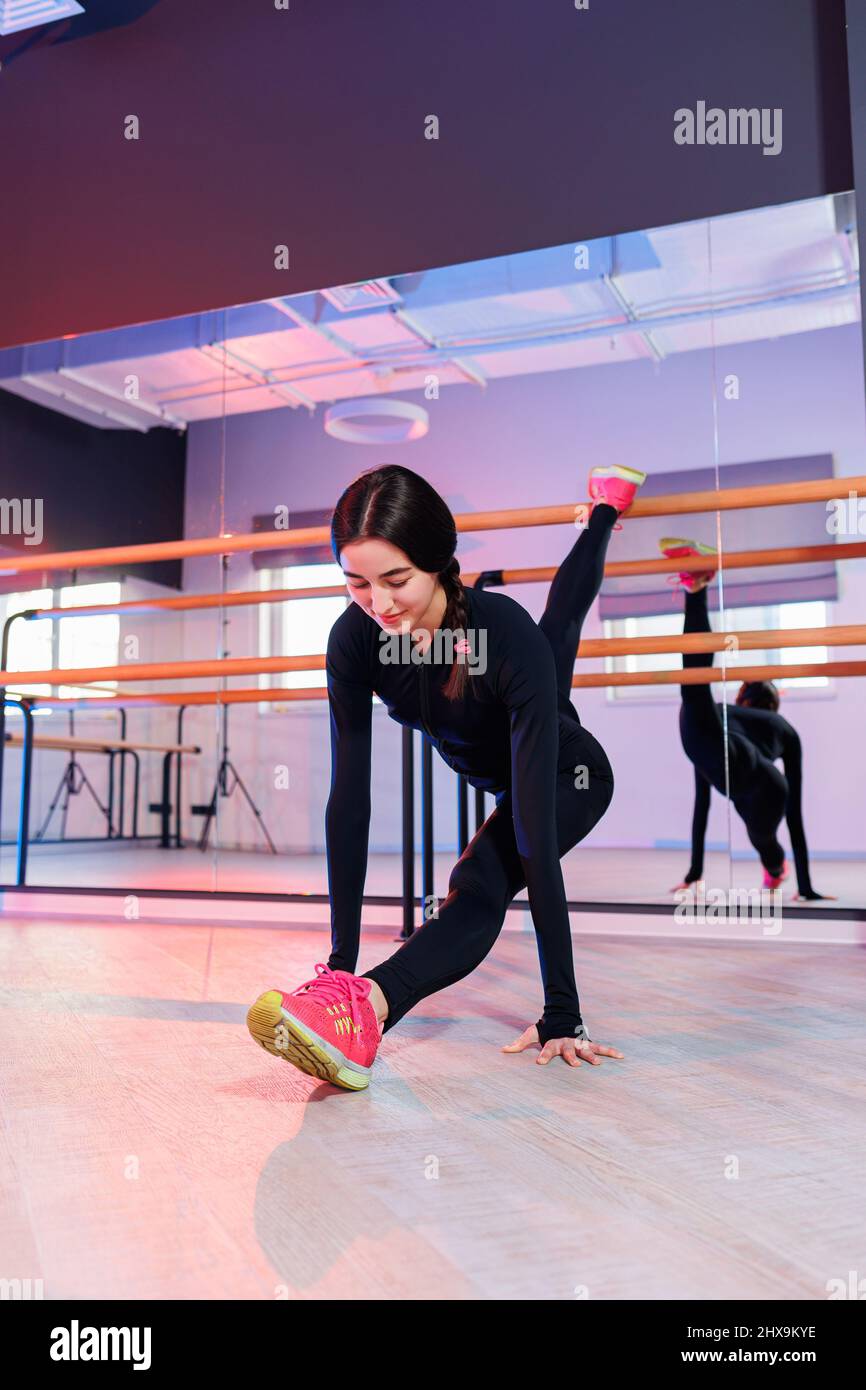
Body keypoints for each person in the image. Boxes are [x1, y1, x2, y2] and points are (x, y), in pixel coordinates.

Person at [246, 462, 647, 1090]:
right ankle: (346, 997)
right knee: (558, 636)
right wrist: (338, 964)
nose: (377, 604)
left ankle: (368, 1009)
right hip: (506, 756)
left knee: (482, 877)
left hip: (569, 773)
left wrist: (562, 1013)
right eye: (356, 583)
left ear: (437, 563)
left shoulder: (500, 633)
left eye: (395, 580)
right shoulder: (357, 641)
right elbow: (349, 803)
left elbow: (535, 842)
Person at [660, 537, 831, 903]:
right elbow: (794, 814)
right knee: (762, 837)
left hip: (735, 764)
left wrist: (695, 872)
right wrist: (806, 887)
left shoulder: (762, 724)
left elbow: (703, 800)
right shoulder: (767, 726)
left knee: (694, 686)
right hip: (739, 766)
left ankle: (696, 587)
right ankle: (696, 586)